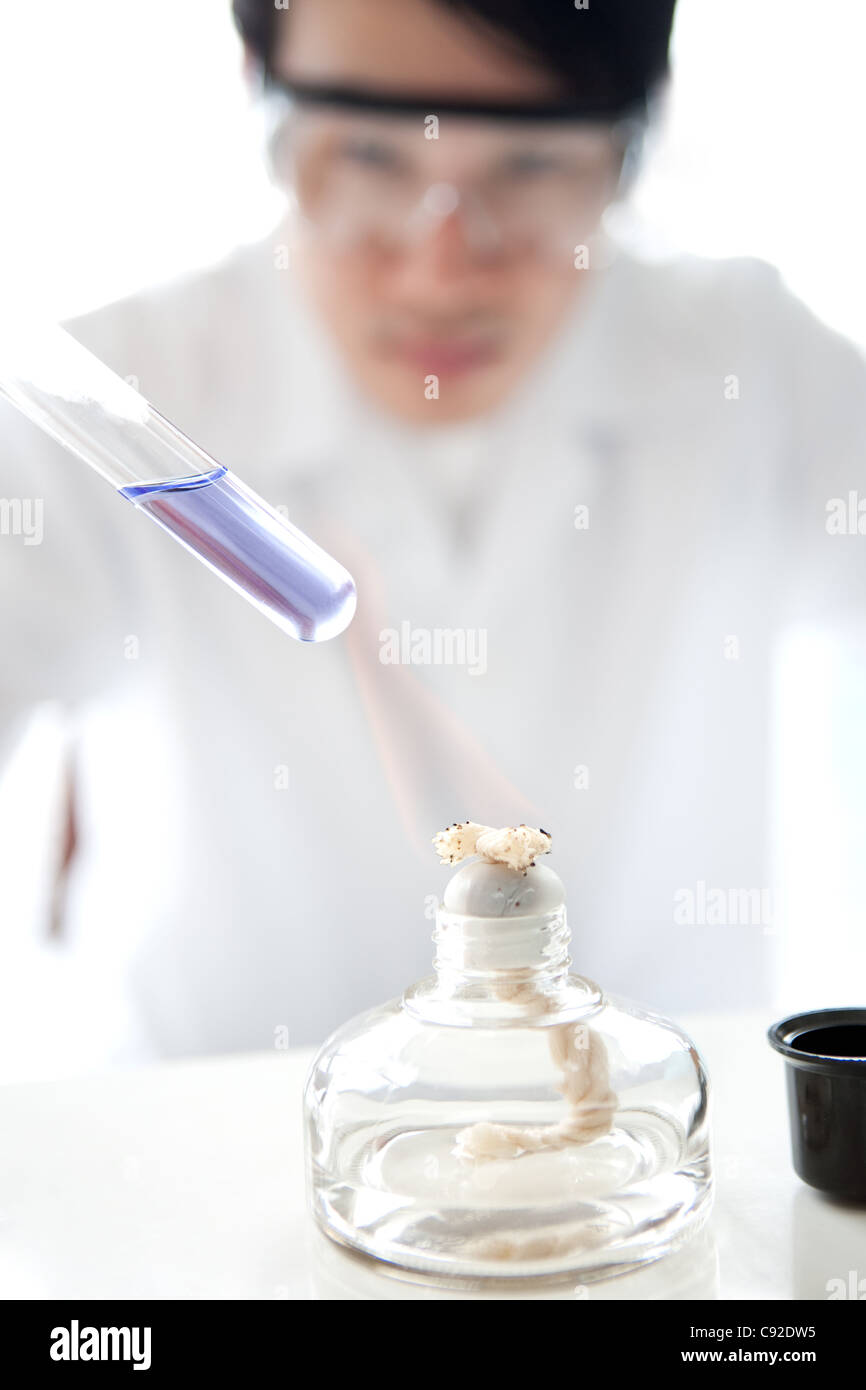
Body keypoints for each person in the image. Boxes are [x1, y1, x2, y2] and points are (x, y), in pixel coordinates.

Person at [1, 0, 864, 1072]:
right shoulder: (113, 399)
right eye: (366, 151)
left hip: (639, 1184)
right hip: (201, 1184)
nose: (442, 265)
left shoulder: (753, 366)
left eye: (533, 166)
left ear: (634, 142)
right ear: (254, 89)